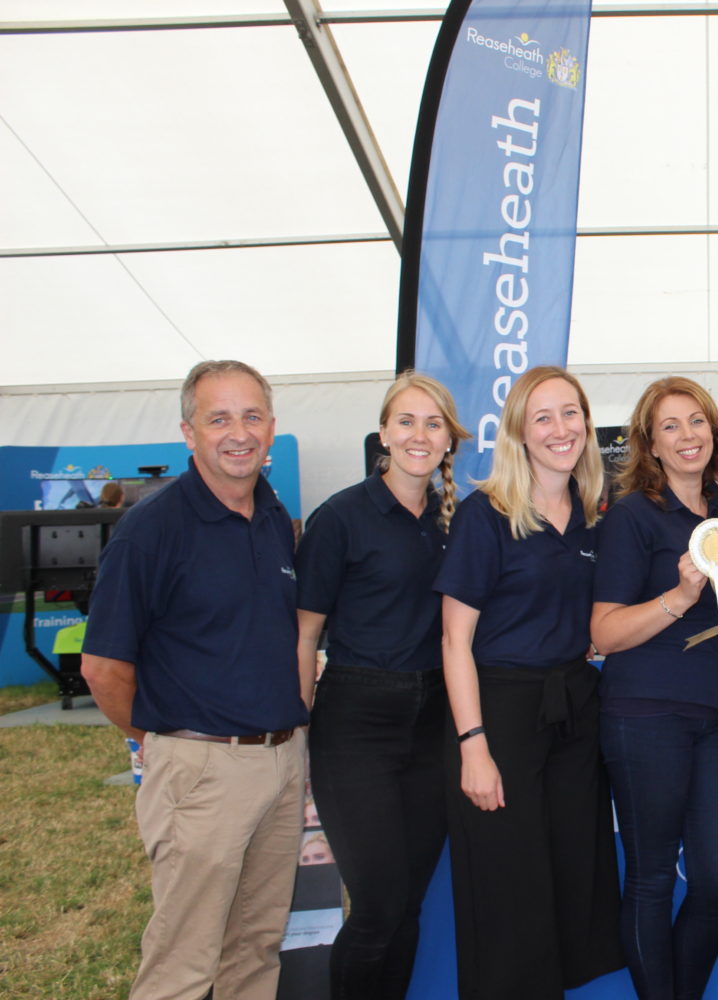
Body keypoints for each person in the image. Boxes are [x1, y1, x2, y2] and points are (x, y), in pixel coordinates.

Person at [80, 359, 309, 1000]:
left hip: (282, 761)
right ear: (188, 433)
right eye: (219, 419)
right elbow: (101, 667)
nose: (238, 433)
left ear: (270, 429)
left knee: (256, 952)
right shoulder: (151, 531)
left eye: (252, 416)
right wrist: (165, 739)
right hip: (201, 767)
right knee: (183, 964)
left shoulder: (272, 517)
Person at [433, 365, 624, 998]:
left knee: (572, 880)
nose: (560, 428)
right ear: (517, 431)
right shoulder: (487, 517)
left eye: (571, 413)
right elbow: (454, 640)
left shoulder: (593, 519)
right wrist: (473, 744)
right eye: (543, 416)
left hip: (574, 714)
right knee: (509, 890)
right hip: (503, 715)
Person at [294, 372, 471, 999]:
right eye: (406, 421)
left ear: (450, 440)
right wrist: (298, 732)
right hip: (356, 724)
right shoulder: (341, 517)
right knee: (376, 908)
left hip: (431, 728)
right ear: (383, 434)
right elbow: (304, 635)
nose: (419, 435)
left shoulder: (454, 521)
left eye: (433, 424)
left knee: (407, 909)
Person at [591, 376, 718, 999]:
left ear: (714, 430)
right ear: (650, 446)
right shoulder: (631, 517)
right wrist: (678, 597)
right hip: (642, 717)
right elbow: (603, 633)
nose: (687, 436)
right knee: (653, 880)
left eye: (696, 422)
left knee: (717, 882)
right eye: (670, 427)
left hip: (715, 719)